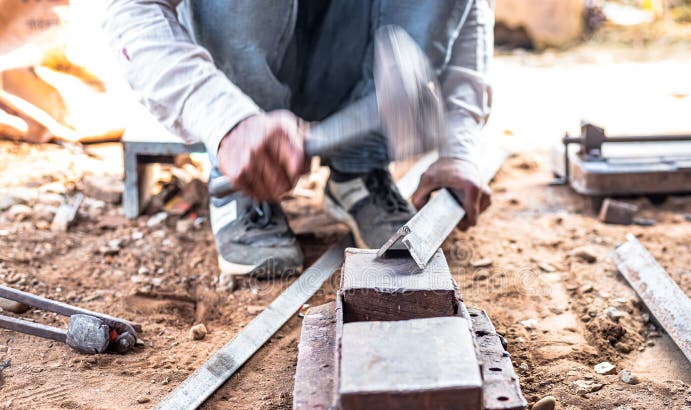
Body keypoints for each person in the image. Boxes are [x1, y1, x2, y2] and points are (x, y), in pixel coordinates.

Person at [104, 1, 494, 277]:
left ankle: (361, 167)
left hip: (341, 51)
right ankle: (248, 172)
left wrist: (458, 147)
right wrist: (225, 119)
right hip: (240, 77)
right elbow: (134, 8)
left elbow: (466, 8)